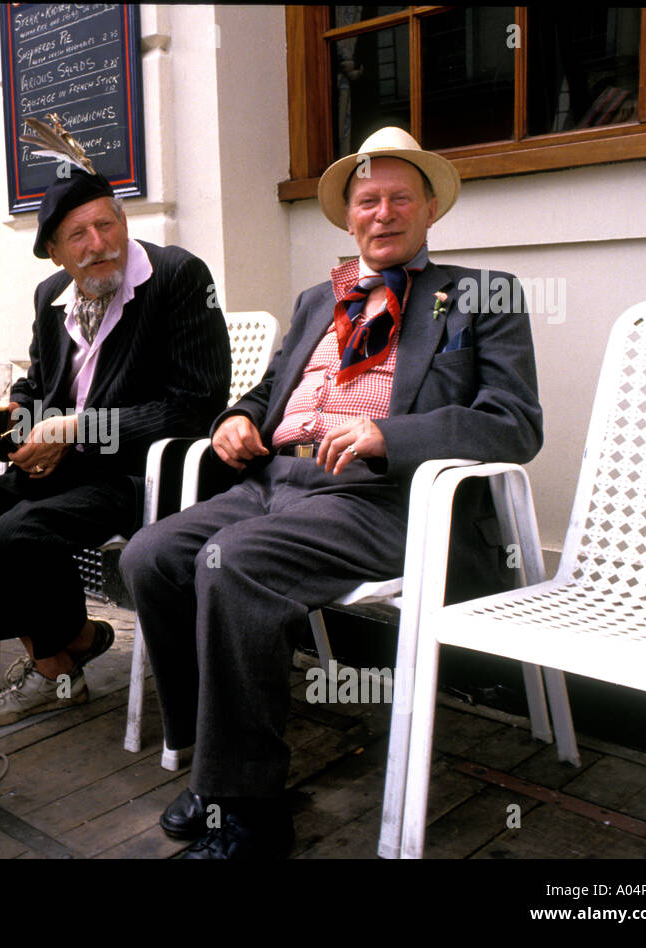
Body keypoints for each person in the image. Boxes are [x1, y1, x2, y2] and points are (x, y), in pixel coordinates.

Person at [119, 127, 543, 859]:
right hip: (275, 483)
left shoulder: (481, 295)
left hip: (383, 499)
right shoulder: (322, 298)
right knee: (150, 555)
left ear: (431, 209)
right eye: (368, 200)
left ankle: (248, 811)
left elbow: (514, 426)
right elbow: (264, 393)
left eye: (400, 198)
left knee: (233, 561)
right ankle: (215, 764)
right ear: (348, 218)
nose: (384, 213)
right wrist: (235, 423)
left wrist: (391, 435)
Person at [0, 168, 231, 729]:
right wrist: (12, 416)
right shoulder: (52, 297)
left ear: (123, 222)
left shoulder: (177, 277)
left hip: (144, 473)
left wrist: (72, 431)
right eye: (78, 236)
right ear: (55, 254)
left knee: (16, 533)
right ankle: (64, 656)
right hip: (69, 468)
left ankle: (57, 668)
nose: (99, 245)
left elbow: (194, 407)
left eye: (106, 224)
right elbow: (38, 387)